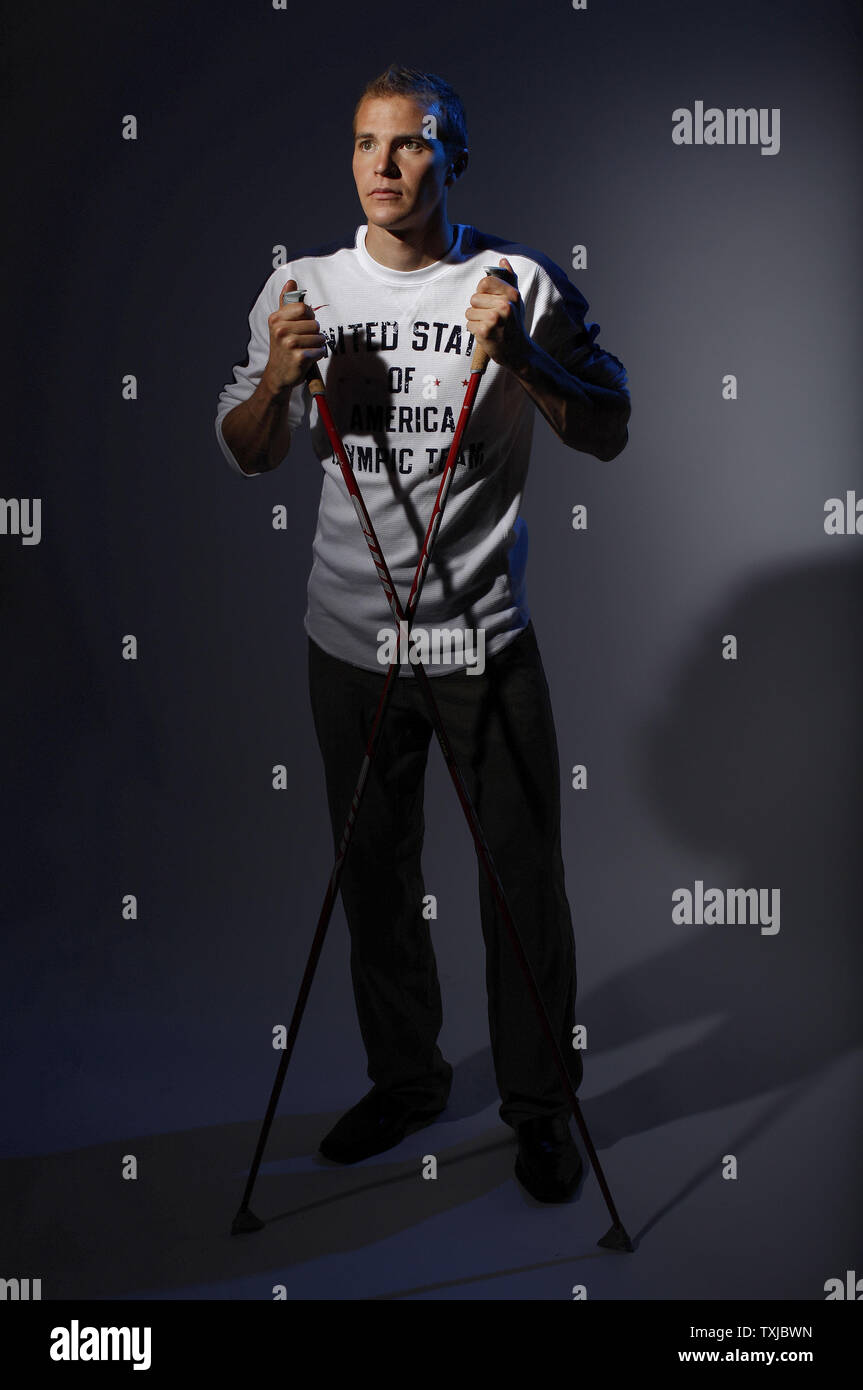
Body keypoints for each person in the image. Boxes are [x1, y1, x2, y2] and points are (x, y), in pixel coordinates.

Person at [215, 64, 630, 1204]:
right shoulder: (299, 289)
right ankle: (406, 1079)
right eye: (364, 144)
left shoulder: (517, 283)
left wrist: (522, 360)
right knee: (375, 878)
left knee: (520, 884)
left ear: (453, 156)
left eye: (409, 144)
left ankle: (539, 1108)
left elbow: (610, 428)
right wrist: (285, 382)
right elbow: (251, 447)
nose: (383, 167)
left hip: (483, 643)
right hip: (348, 646)